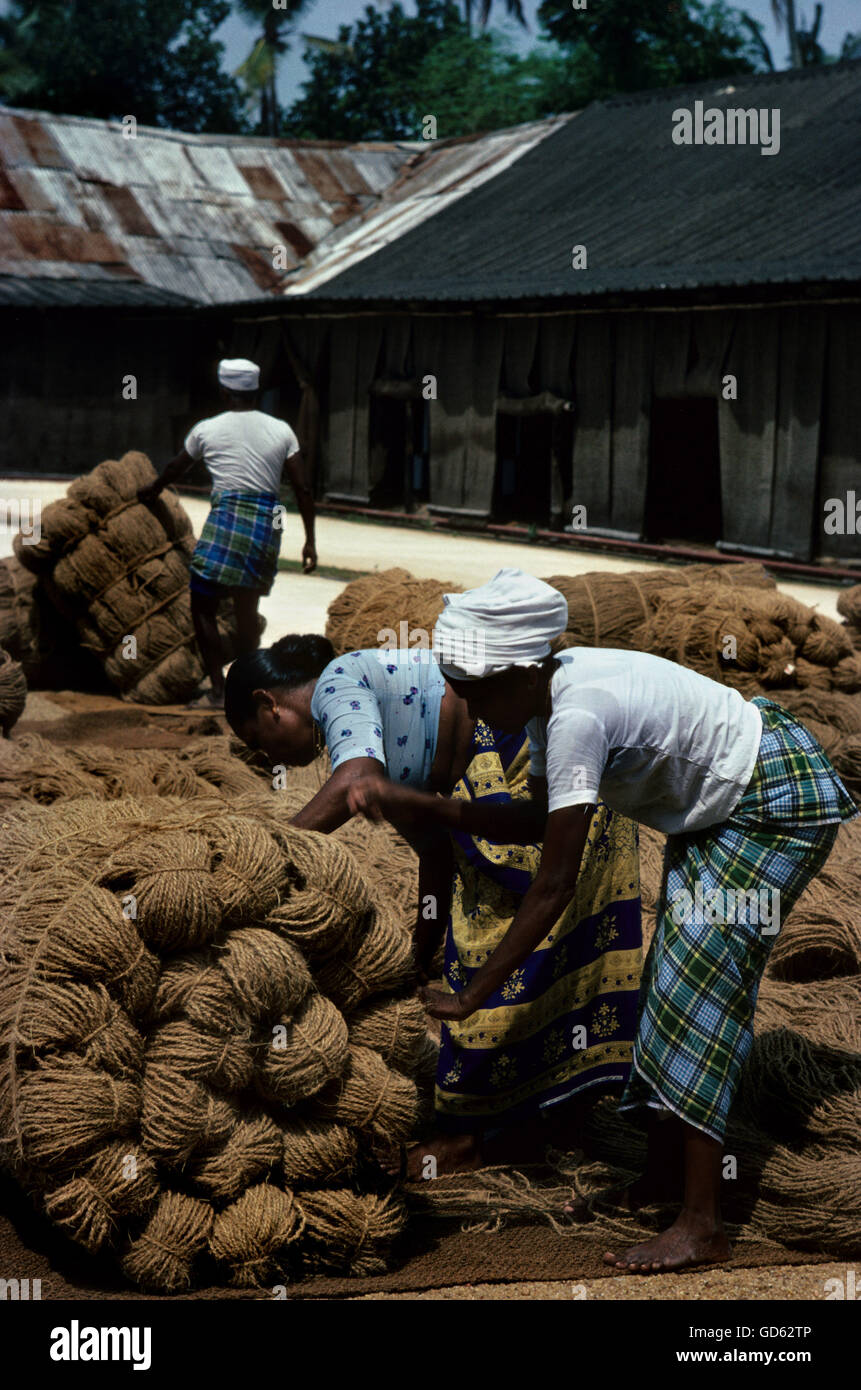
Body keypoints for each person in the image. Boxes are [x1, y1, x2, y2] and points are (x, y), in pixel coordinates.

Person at [347, 567, 858, 1271]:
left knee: (697, 997)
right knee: (668, 987)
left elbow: (554, 881)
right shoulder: (540, 702)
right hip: (720, 808)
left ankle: (701, 1225)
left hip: (769, 805)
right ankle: (660, 1176)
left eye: (473, 692)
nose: (465, 707)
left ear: (523, 671)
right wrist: (429, 807)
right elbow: (533, 821)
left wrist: (473, 994)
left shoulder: (576, 715)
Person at [224, 632, 642, 1175]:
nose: (266, 756)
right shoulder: (382, 742)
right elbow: (436, 855)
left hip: (534, 769)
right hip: (558, 788)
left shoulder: (337, 682)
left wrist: (264, 859)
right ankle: (533, 1125)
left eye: (257, 740)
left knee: (492, 950)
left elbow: (356, 779)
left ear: (268, 704)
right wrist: (421, 949)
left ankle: (468, 1138)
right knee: (528, 953)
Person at [138, 358, 317, 707]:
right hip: (265, 527)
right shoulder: (282, 430)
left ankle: (219, 692)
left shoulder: (207, 429)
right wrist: (310, 541)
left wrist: (154, 488)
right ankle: (249, 690)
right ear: (256, 391)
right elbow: (303, 488)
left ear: (224, 392)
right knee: (246, 610)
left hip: (226, 520)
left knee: (202, 604)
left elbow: (177, 465)